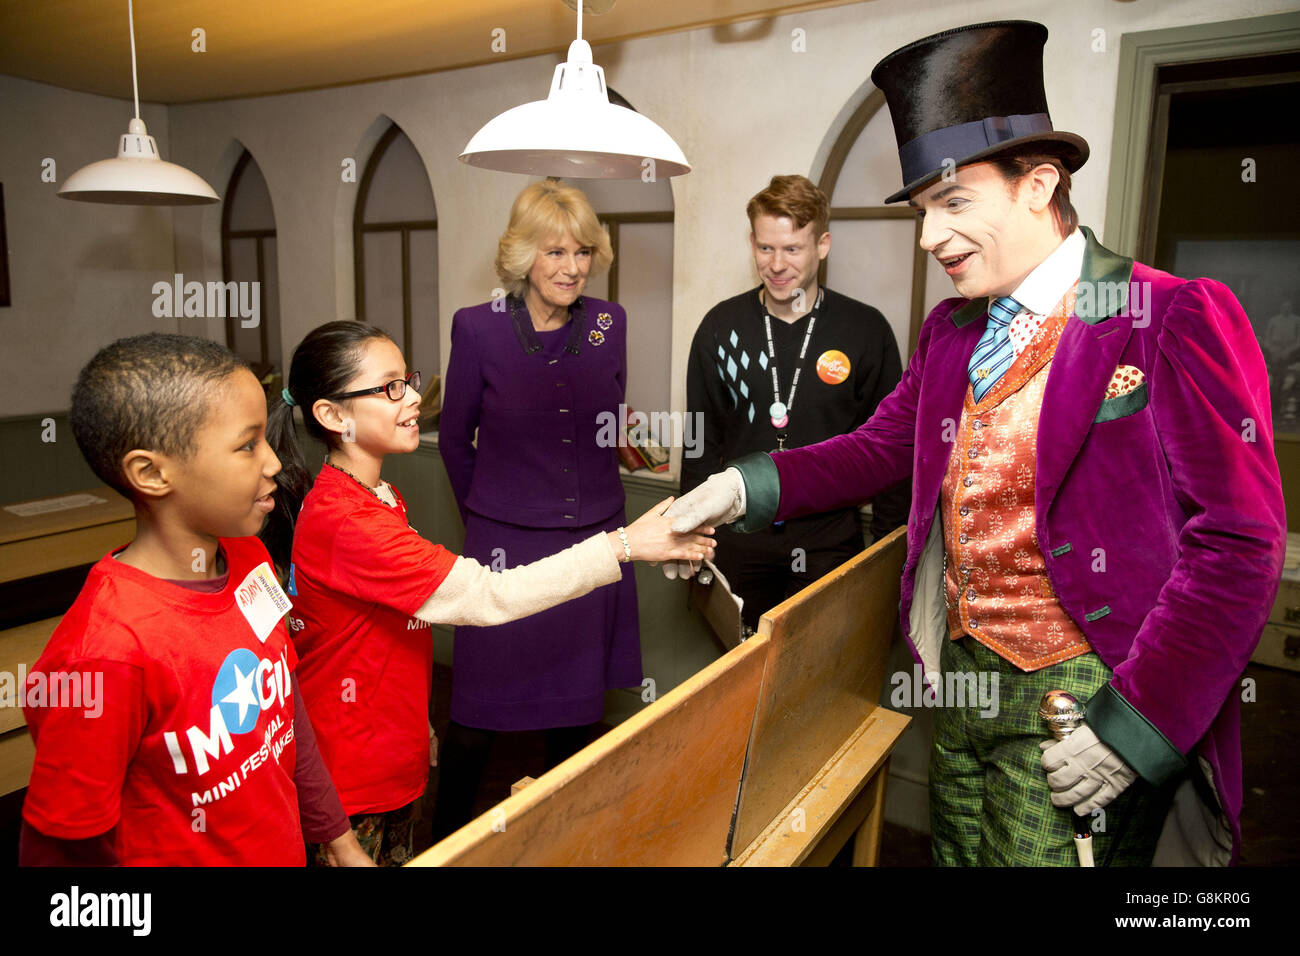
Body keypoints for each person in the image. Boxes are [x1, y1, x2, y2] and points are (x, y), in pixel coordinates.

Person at [665, 21, 1285, 866]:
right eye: (923, 211)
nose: (930, 238)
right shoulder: (951, 333)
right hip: (960, 680)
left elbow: (1238, 544)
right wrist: (741, 487)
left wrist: (1136, 728)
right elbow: (877, 449)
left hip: (1090, 692)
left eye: (953, 205)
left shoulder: (1167, 316)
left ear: (1039, 185)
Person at [265, 321, 710, 860]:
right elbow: (487, 597)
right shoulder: (348, 520)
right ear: (333, 416)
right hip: (351, 777)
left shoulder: (378, 493)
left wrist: (416, 724)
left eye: (406, 379)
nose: (410, 398)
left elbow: (387, 636)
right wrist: (622, 545)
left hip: (387, 754)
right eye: (388, 389)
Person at [20, 333, 372, 866]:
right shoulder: (106, 653)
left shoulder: (250, 556)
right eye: (248, 444)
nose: (275, 463)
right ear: (152, 473)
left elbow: (285, 713)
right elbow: (64, 849)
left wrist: (341, 842)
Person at [433, 179, 642, 838]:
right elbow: (451, 438)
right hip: (504, 551)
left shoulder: (611, 323)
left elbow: (604, 427)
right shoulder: (477, 327)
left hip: (593, 547)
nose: (572, 267)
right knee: (474, 720)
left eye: (583, 252)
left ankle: (562, 844)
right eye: (554, 252)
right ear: (523, 256)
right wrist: (492, 516)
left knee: (573, 721)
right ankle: (439, 847)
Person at [678, 174, 910, 631]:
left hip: (828, 543)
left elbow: (893, 449)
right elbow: (699, 441)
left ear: (822, 244)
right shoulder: (719, 327)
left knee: (820, 682)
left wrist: (888, 553)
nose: (777, 264)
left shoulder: (865, 329)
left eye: (792, 249)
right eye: (766, 248)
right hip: (739, 542)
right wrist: (687, 534)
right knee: (734, 682)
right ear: (752, 242)